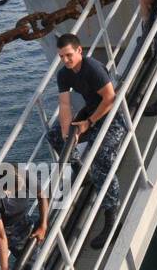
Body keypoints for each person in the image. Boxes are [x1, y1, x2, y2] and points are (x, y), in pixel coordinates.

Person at [47, 34, 126, 251]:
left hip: (111, 117)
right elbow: (64, 105)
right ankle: (83, 172)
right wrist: (66, 132)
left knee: (100, 157)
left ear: (79, 51)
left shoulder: (92, 68)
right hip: (91, 113)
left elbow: (110, 98)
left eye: (69, 55)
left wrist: (88, 123)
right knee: (54, 135)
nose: (65, 60)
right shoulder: (64, 74)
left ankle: (112, 218)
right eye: (61, 56)